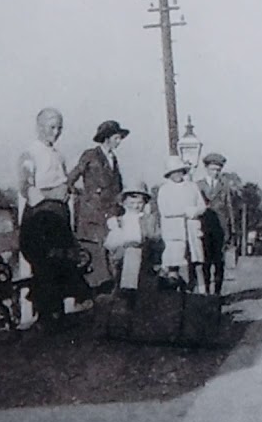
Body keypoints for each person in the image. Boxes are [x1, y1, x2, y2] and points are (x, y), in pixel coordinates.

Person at [67, 120, 128, 295]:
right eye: (117, 138)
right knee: (95, 256)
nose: (119, 142)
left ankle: (110, 295)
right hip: (92, 215)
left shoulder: (113, 159)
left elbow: (117, 186)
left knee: (111, 253)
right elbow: (72, 177)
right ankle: (94, 296)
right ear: (107, 138)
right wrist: (82, 196)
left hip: (109, 213)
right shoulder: (91, 155)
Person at [19, 188, 93, 331]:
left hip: (51, 257)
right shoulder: (44, 211)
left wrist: (67, 252)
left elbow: (65, 239)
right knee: (50, 271)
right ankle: (50, 315)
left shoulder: (54, 211)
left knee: (57, 269)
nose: (67, 196)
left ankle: (54, 314)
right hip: (41, 256)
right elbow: (30, 244)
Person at [104, 180, 161, 307]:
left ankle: (131, 292)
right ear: (124, 203)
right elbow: (111, 244)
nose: (136, 206)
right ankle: (126, 292)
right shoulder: (119, 220)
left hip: (144, 252)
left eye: (139, 203)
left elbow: (155, 238)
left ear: (145, 203)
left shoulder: (148, 219)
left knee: (134, 253)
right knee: (129, 253)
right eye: (132, 203)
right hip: (122, 254)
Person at [156, 155, 207, 291]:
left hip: (192, 230)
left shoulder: (192, 186)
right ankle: (174, 293)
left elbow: (202, 206)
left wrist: (194, 211)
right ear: (169, 174)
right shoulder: (164, 189)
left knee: (197, 263)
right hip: (174, 231)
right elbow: (165, 211)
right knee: (174, 263)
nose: (177, 175)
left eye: (180, 171)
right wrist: (184, 211)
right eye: (174, 172)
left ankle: (201, 293)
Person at [197, 152, 236, 295]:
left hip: (220, 228)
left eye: (218, 170)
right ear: (206, 168)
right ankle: (206, 292)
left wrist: (231, 229)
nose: (215, 172)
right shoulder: (198, 185)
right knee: (205, 261)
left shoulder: (224, 186)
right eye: (212, 169)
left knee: (219, 262)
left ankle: (217, 293)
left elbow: (229, 207)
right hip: (203, 227)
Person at [17, 108, 70, 210]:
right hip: (40, 212)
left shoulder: (59, 156)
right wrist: (52, 194)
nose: (56, 132)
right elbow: (25, 189)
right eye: (52, 127)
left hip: (61, 212)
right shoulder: (29, 154)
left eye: (60, 128)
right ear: (40, 127)